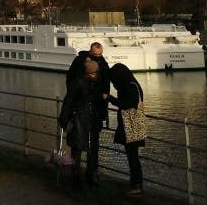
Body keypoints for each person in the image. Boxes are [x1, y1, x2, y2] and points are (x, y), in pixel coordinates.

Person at [58, 57, 108, 187]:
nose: (95, 75)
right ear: (88, 73)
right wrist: (64, 118)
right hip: (80, 120)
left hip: (90, 119)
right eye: (93, 73)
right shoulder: (79, 83)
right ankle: (77, 178)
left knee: (89, 150)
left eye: (96, 73)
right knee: (78, 150)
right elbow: (69, 100)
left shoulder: (93, 81)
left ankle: (88, 176)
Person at [109, 63, 146, 196]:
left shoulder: (130, 87)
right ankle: (135, 184)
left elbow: (126, 104)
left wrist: (110, 98)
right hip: (132, 127)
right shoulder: (133, 85)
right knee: (132, 157)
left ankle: (137, 185)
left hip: (131, 128)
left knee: (133, 158)